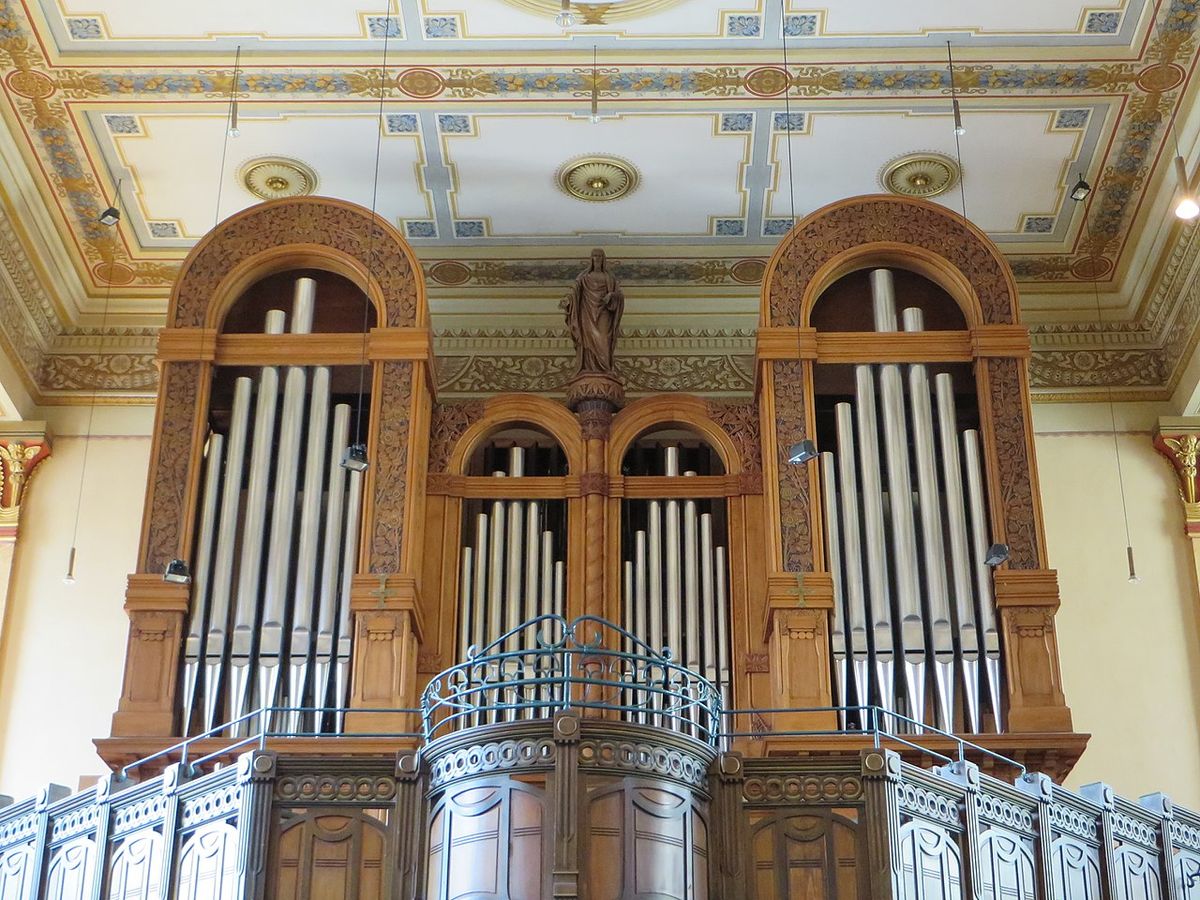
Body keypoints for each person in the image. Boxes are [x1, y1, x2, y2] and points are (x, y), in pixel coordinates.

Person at [561, 248, 624, 376]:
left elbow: (619, 295)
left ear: (603, 259)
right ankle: (588, 367)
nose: (597, 258)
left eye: (600, 256)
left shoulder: (609, 277)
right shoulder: (584, 277)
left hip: (604, 312)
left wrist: (611, 296)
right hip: (587, 313)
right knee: (587, 340)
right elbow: (574, 291)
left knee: (603, 339)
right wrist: (567, 301)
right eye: (594, 256)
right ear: (591, 259)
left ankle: (605, 368)